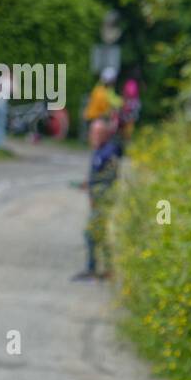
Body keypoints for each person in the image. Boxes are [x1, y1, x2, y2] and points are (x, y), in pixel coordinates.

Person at [73, 118, 123, 281]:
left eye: (95, 133)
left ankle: (96, 269)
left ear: (104, 134)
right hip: (100, 199)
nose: (91, 136)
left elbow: (108, 178)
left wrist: (94, 188)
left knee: (93, 233)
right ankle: (104, 269)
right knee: (100, 234)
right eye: (92, 132)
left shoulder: (107, 152)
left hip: (104, 201)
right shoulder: (101, 151)